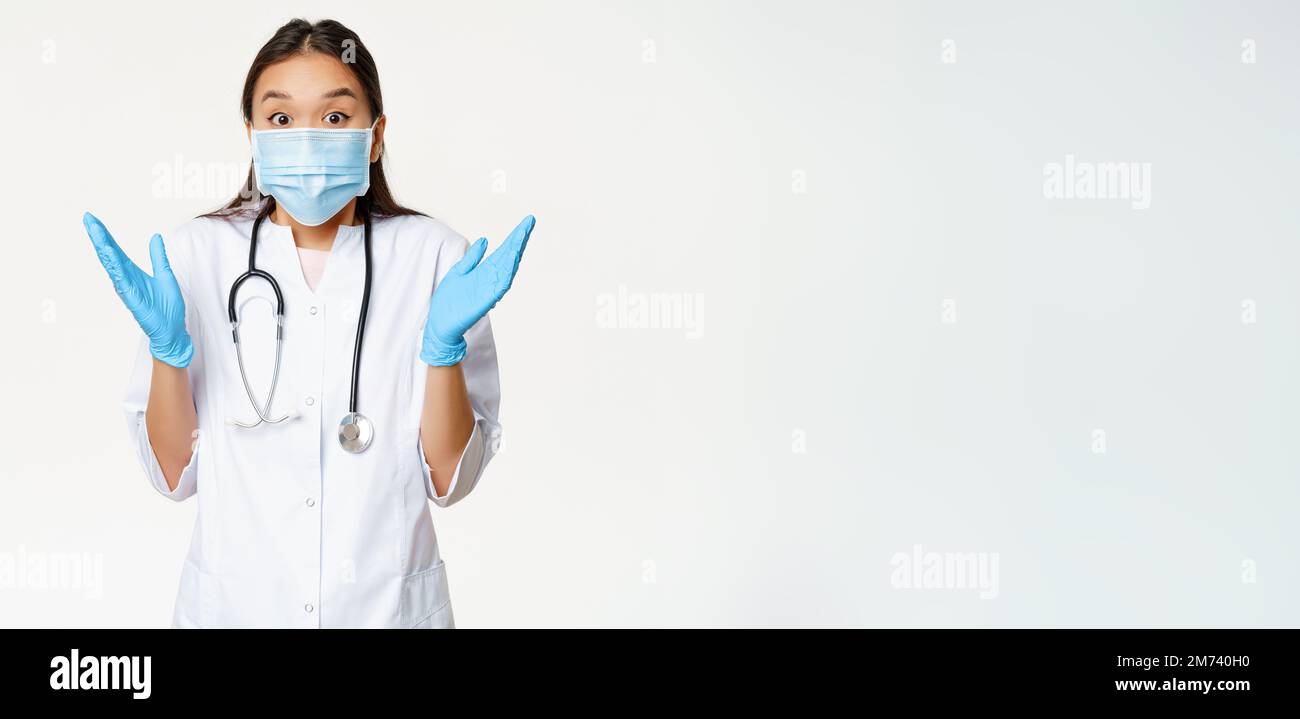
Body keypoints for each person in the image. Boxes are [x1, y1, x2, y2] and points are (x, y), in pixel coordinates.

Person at [82, 18, 535, 628]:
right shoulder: (195, 257)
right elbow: (171, 474)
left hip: (385, 611)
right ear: (252, 135)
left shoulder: (435, 259)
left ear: (375, 136)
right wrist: (170, 352)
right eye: (280, 119)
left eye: (334, 117)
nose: (306, 137)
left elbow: (451, 478)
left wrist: (443, 351)